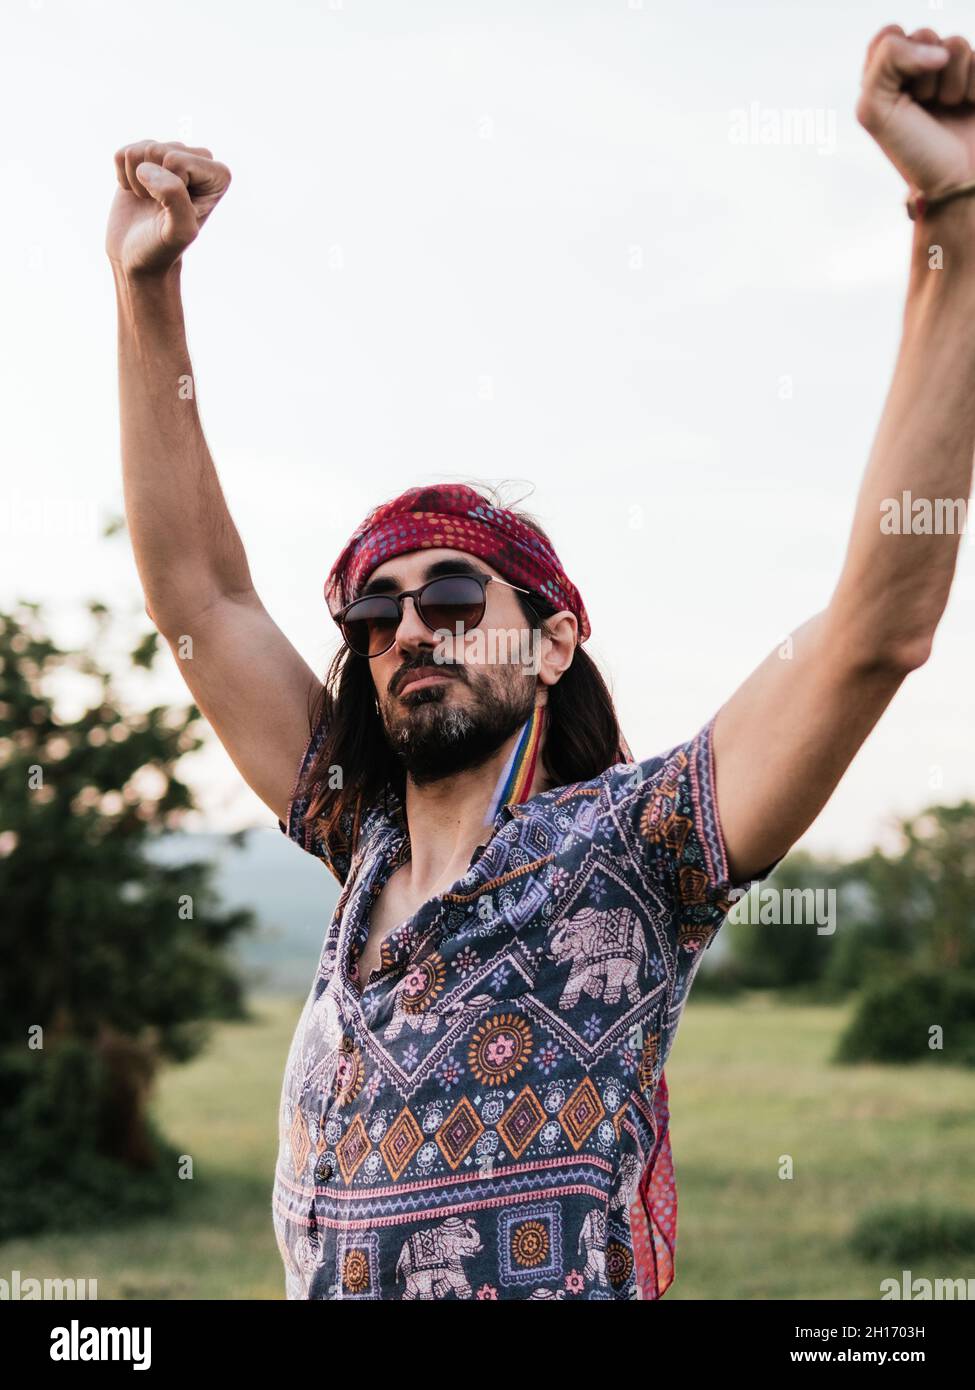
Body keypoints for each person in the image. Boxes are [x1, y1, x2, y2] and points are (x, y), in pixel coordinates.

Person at [107, 24, 975, 1299]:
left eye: (456, 594)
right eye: (374, 613)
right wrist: (146, 291)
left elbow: (874, 631)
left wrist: (947, 218)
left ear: (555, 639)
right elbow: (204, 592)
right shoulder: (361, 853)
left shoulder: (631, 856)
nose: (410, 629)